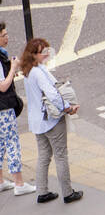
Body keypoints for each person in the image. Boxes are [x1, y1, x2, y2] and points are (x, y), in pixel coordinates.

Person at [17, 38, 81, 204]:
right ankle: (68, 193)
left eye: (46, 49)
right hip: (50, 120)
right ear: (33, 55)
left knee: (44, 156)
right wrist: (67, 108)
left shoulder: (29, 71)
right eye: (41, 51)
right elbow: (52, 94)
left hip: (37, 122)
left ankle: (42, 192)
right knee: (61, 155)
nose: (45, 53)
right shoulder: (38, 72)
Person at [0, 23, 35, 197]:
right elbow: (3, 86)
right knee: (12, 143)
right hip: (3, 109)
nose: (7, 37)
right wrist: (13, 69)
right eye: (4, 35)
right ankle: (19, 183)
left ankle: (0, 181)